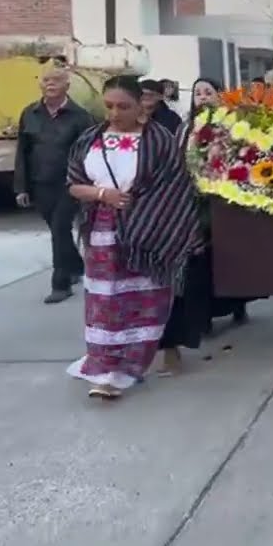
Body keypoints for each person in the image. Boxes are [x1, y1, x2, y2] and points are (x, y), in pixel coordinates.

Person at [64, 75, 200, 399]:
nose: (114, 113)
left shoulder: (160, 141)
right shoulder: (88, 140)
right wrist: (102, 194)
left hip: (149, 236)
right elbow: (72, 184)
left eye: (123, 106)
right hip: (101, 232)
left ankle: (132, 365)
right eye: (108, 106)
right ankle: (104, 370)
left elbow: (175, 189)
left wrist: (146, 217)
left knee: (143, 301)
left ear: (141, 105)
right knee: (104, 302)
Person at [156, 77, 254, 375]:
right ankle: (204, 316)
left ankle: (236, 304)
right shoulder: (186, 126)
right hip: (190, 199)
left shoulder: (231, 123)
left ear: (220, 96)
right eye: (197, 92)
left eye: (208, 92)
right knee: (197, 260)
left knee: (226, 254)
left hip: (224, 197)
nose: (202, 96)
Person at [13, 66, 96, 304]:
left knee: (60, 228)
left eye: (57, 80)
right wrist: (21, 187)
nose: (51, 84)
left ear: (67, 86)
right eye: (46, 80)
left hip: (70, 184)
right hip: (41, 182)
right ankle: (75, 266)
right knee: (57, 230)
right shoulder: (30, 113)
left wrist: (89, 186)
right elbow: (22, 152)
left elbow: (88, 153)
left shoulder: (80, 116)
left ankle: (60, 284)